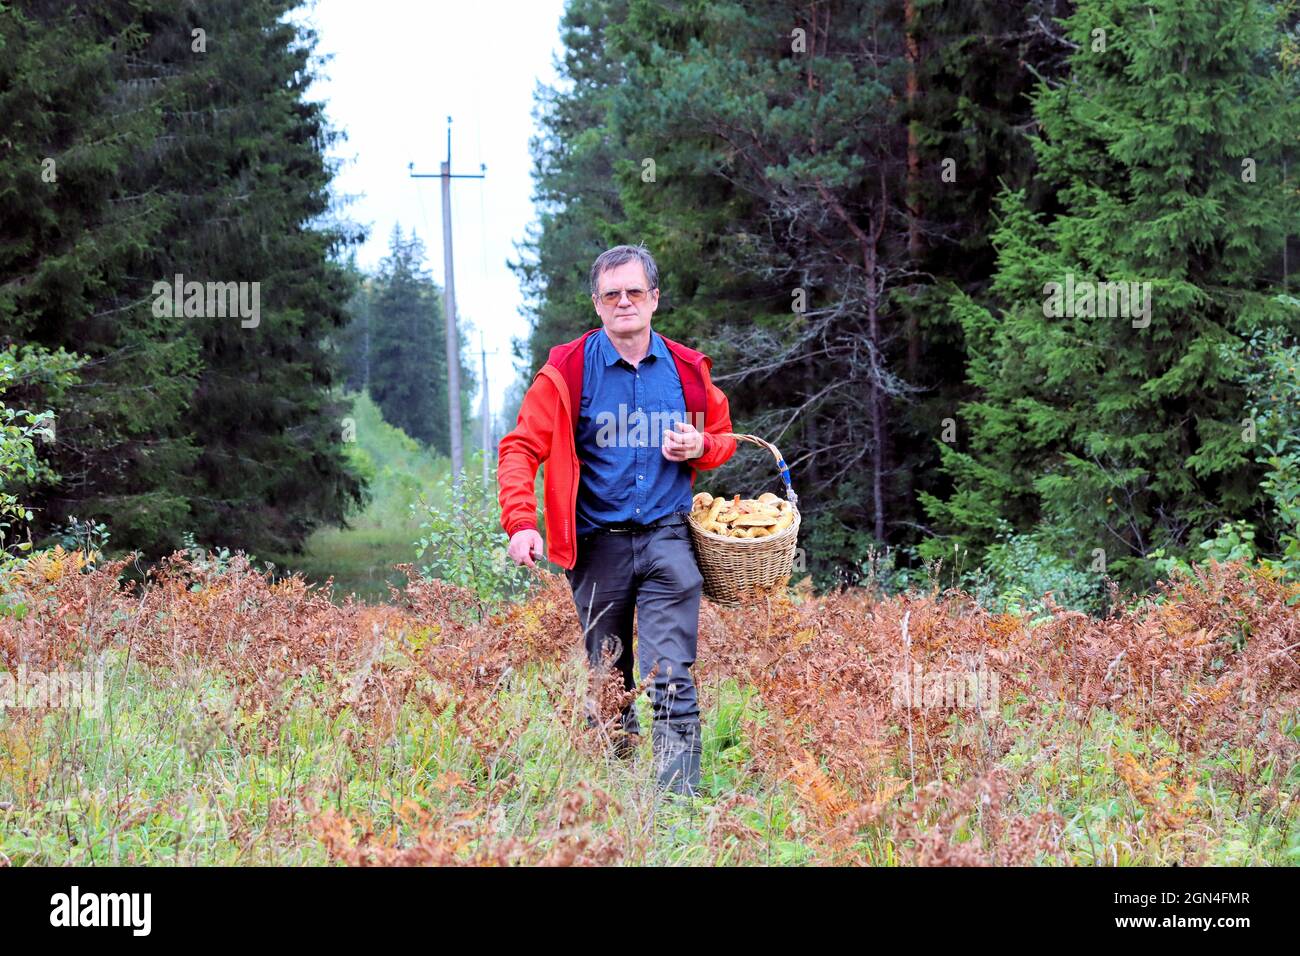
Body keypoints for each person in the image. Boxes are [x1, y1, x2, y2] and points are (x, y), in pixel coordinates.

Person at [497, 244, 737, 795]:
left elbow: (723, 439)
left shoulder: (687, 371)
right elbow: (519, 449)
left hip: (667, 539)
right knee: (608, 681)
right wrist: (521, 522)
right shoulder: (567, 371)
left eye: (635, 292)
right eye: (612, 294)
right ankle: (619, 798)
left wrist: (701, 445)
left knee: (670, 675)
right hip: (594, 547)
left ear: (654, 298)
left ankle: (677, 806)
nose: (624, 302)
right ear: (597, 305)